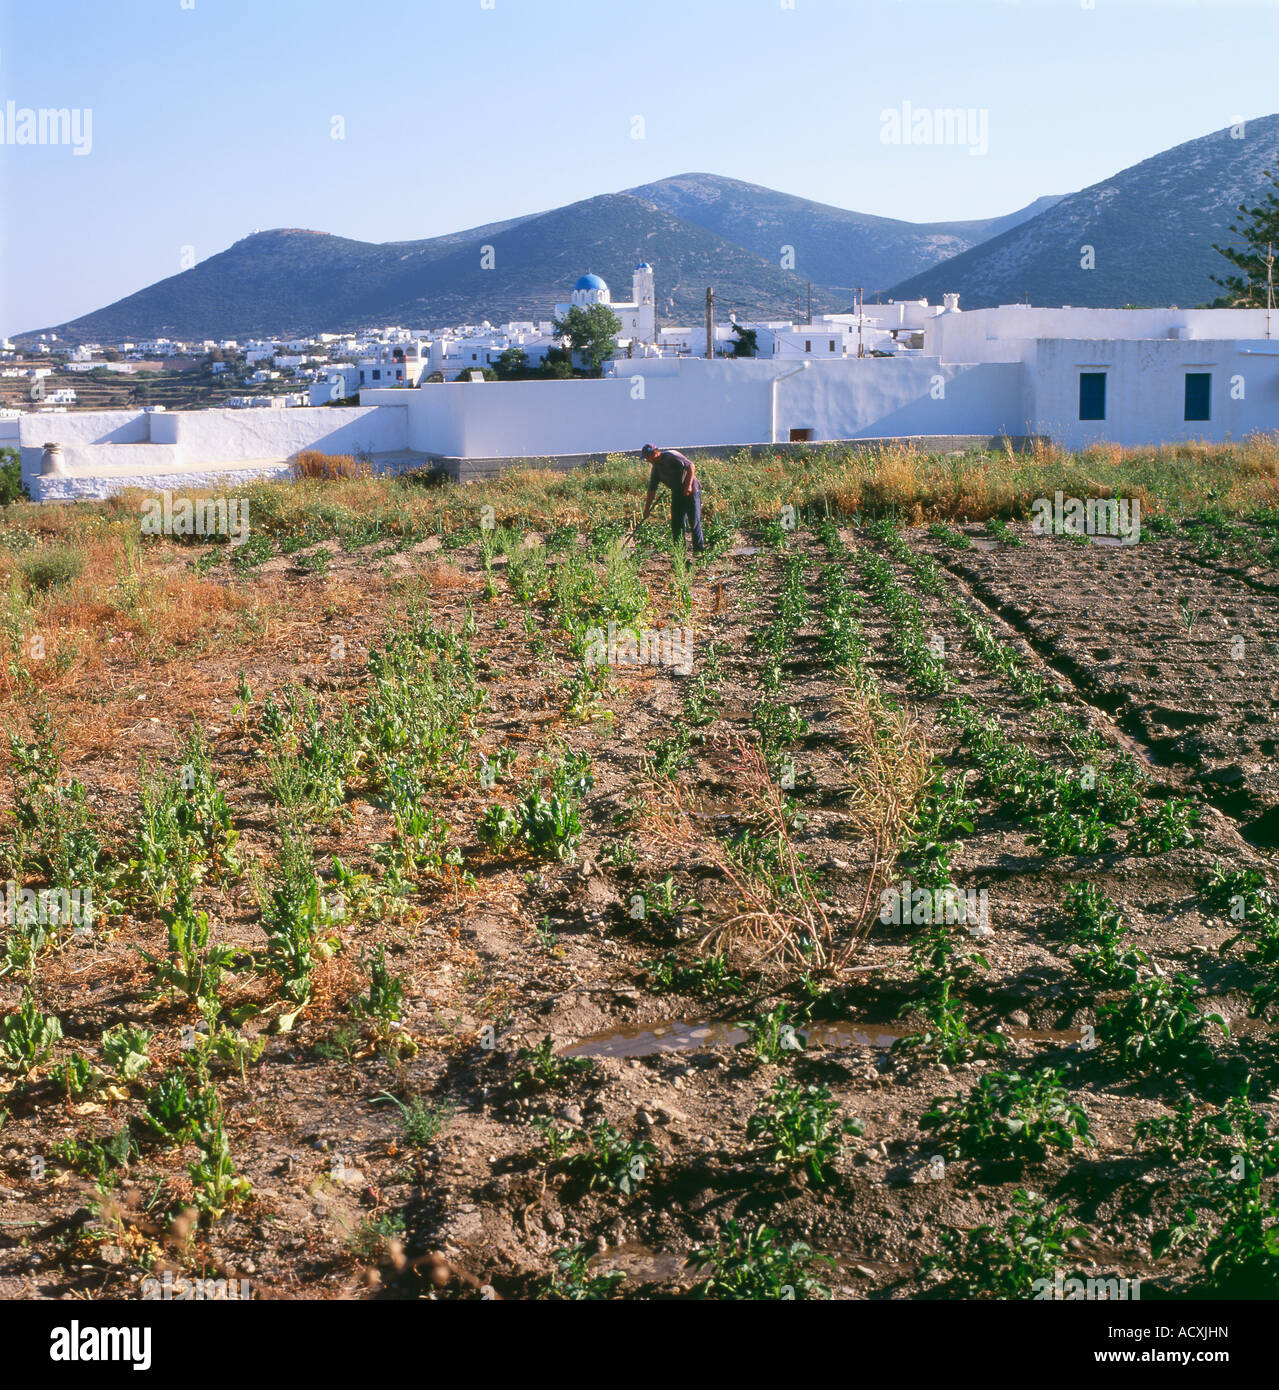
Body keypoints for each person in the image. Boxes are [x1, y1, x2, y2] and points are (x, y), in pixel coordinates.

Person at [639, 443, 705, 554]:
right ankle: (680, 552)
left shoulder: (672, 456)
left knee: (694, 522)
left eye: (647, 457)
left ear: (655, 453)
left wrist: (688, 485)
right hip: (677, 493)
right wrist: (646, 509)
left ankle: (699, 551)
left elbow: (691, 466)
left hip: (691, 491)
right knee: (676, 524)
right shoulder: (656, 469)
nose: (647, 460)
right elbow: (652, 490)